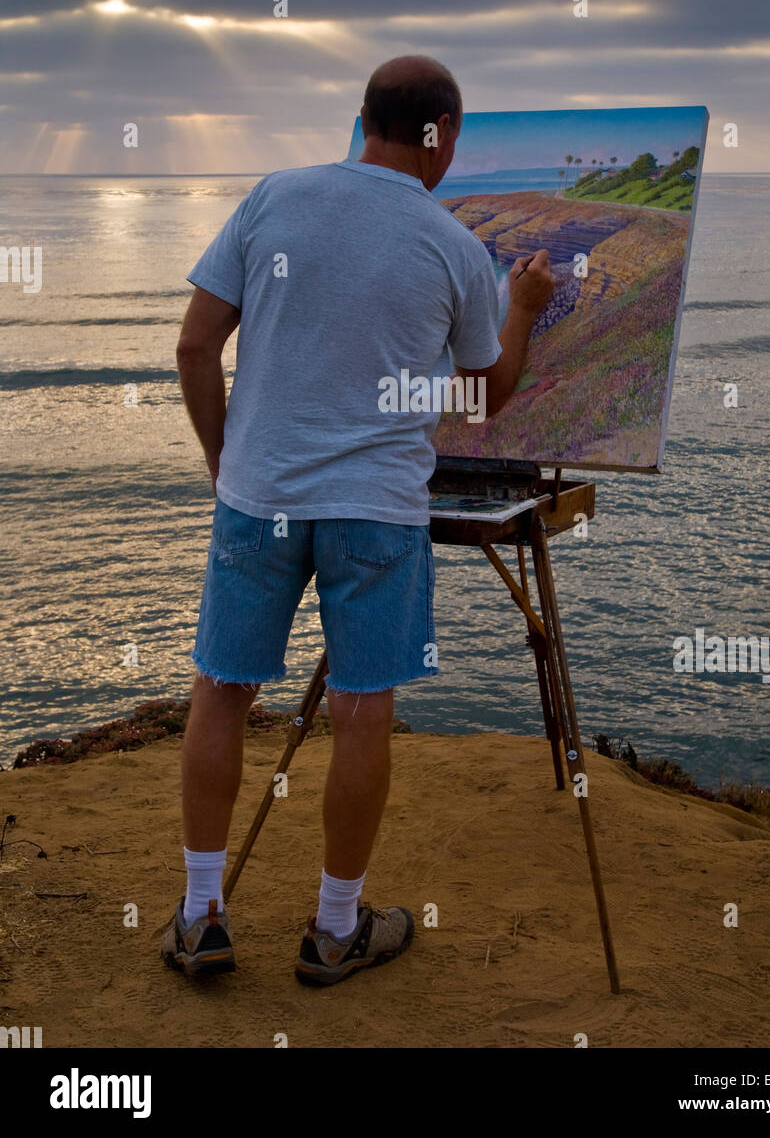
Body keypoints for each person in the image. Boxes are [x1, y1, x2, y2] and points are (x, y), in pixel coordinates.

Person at [161, 54, 553, 986]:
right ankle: (336, 932)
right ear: (442, 134)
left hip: (259, 499)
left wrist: (230, 464)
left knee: (221, 689)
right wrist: (524, 308)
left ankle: (199, 916)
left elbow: (192, 345)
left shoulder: (273, 199)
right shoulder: (453, 246)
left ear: (362, 117)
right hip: (376, 511)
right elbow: (484, 393)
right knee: (362, 710)